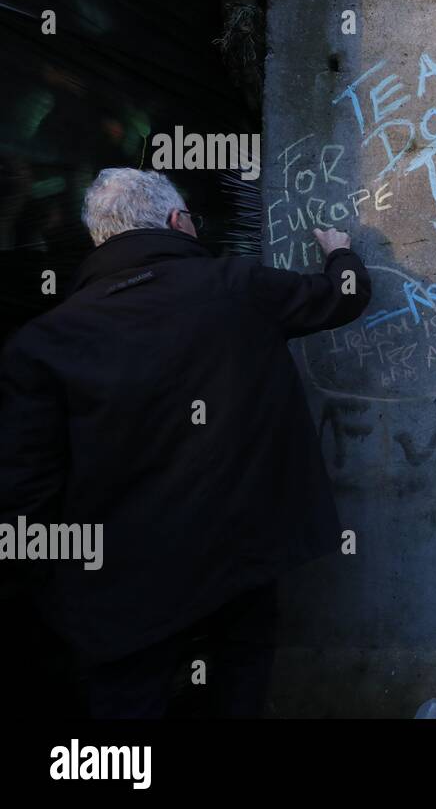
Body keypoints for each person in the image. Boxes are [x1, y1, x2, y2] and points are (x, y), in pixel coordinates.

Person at [0, 168, 372, 717]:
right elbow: (344, 297)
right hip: (241, 556)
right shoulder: (237, 287)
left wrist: (54, 589)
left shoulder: (42, 342)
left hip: (117, 580)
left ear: (101, 239)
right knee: (238, 683)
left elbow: (24, 489)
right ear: (178, 222)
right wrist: (340, 252)